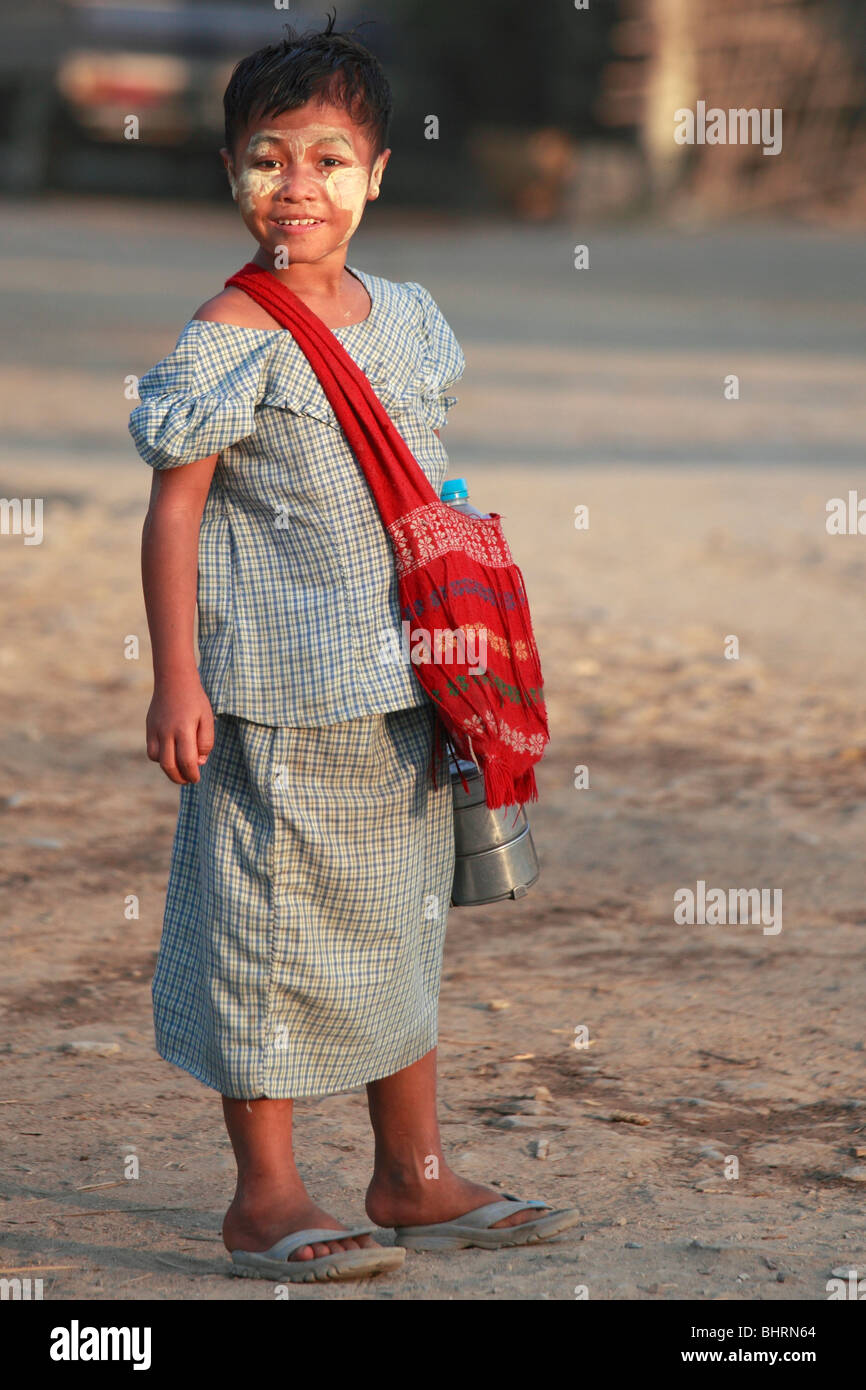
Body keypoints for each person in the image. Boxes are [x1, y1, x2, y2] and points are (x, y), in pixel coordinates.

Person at [130, 14, 580, 1283]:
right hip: (274, 694)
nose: (298, 187)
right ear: (230, 174)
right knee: (267, 936)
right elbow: (174, 509)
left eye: (329, 159)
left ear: (378, 174)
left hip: (410, 678)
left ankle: (412, 1173)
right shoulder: (231, 328)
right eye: (268, 159)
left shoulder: (410, 315)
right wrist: (177, 678)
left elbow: (431, 476)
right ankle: (263, 1196)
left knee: (399, 926)